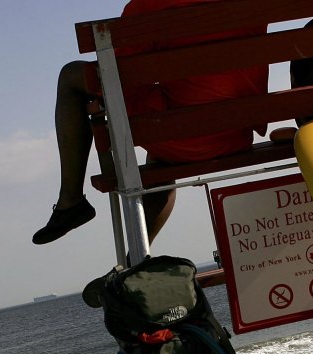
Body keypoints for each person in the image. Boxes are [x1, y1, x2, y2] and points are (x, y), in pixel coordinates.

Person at [33, 0, 268, 246]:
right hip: (236, 133)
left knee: (71, 75)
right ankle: (137, 257)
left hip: (182, 140)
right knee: (167, 124)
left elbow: (122, 75)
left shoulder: (148, 5)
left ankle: (71, 202)